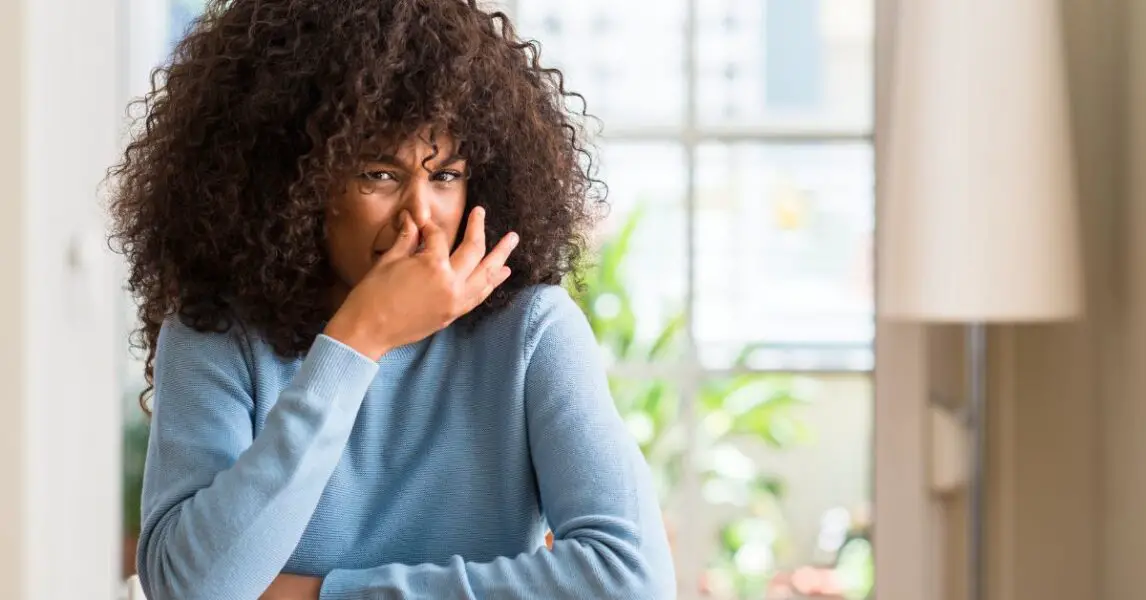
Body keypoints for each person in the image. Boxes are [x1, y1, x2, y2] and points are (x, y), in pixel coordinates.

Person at [107, 0, 676, 598]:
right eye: (379, 174)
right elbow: (193, 589)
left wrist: (318, 594)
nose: (420, 215)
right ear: (295, 183)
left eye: (445, 175)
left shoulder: (532, 330)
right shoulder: (215, 333)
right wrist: (357, 341)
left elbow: (630, 581)